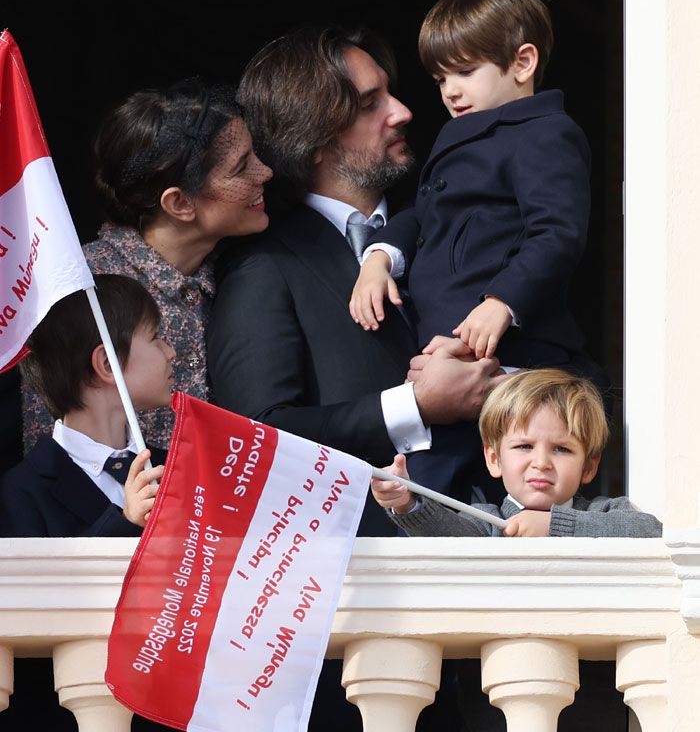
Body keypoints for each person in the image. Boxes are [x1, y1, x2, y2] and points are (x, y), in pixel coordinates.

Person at [208, 26, 504, 487]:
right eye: (371, 105)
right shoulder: (264, 266)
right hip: (370, 550)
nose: (403, 112)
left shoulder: (461, 218)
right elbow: (255, 439)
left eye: (391, 93)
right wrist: (414, 406)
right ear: (313, 140)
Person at [350, 0, 604, 500]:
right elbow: (423, 216)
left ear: (522, 62)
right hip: (449, 356)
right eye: (442, 78)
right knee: (434, 486)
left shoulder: (544, 133)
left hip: (514, 356)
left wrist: (503, 302)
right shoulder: (458, 137)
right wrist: (378, 257)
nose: (450, 91)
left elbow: (555, 233)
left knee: (523, 481)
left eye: (465, 71)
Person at [22, 78, 272, 452]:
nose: (265, 172)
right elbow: (54, 457)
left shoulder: (240, 270)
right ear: (180, 204)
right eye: (241, 169)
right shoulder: (83, 292)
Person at [373, 368, 661, 538]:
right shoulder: (485, 521)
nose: (541, 463)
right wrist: (406, 502)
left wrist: (552, 526)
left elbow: (647, 529)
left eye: (561, 449)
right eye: (524, 446)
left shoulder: (601, 512)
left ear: (588, 466)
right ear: (494, 459)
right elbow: (446, 533)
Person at [0, 275, 173, 538]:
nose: (170, 352)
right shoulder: (21, 493)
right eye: (155, 337)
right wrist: (126, 523)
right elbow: (49, 578)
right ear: (106, 363)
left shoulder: (173, 467)